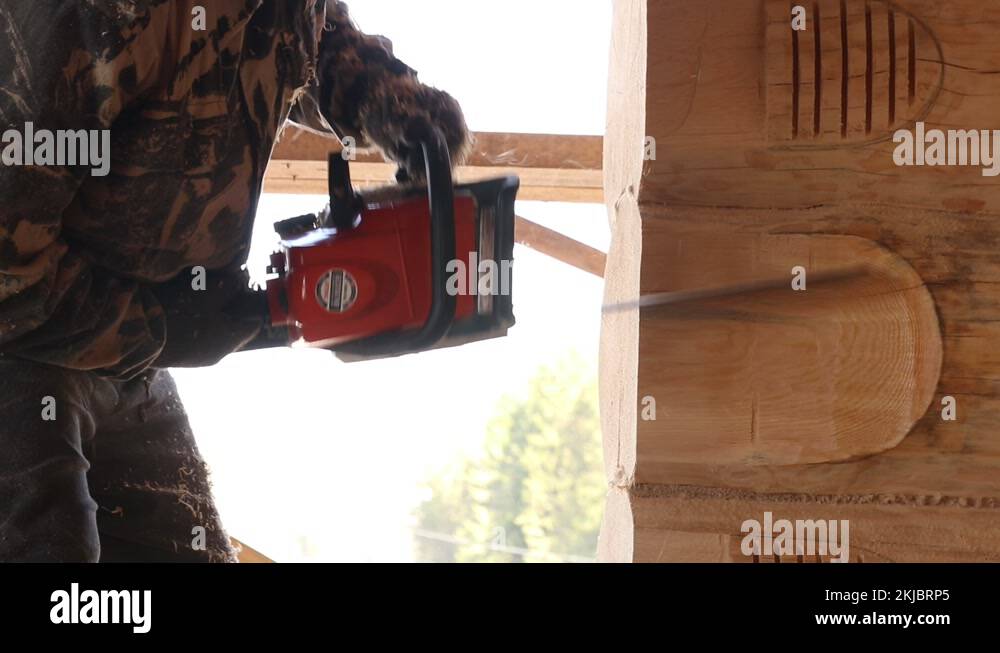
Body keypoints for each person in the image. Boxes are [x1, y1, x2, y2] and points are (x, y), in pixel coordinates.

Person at [0, 0, 470, 562]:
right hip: (23, 339)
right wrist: (157, 330)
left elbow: (310, 37)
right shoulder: (96, 13)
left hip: (124, 344)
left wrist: (382, 98)